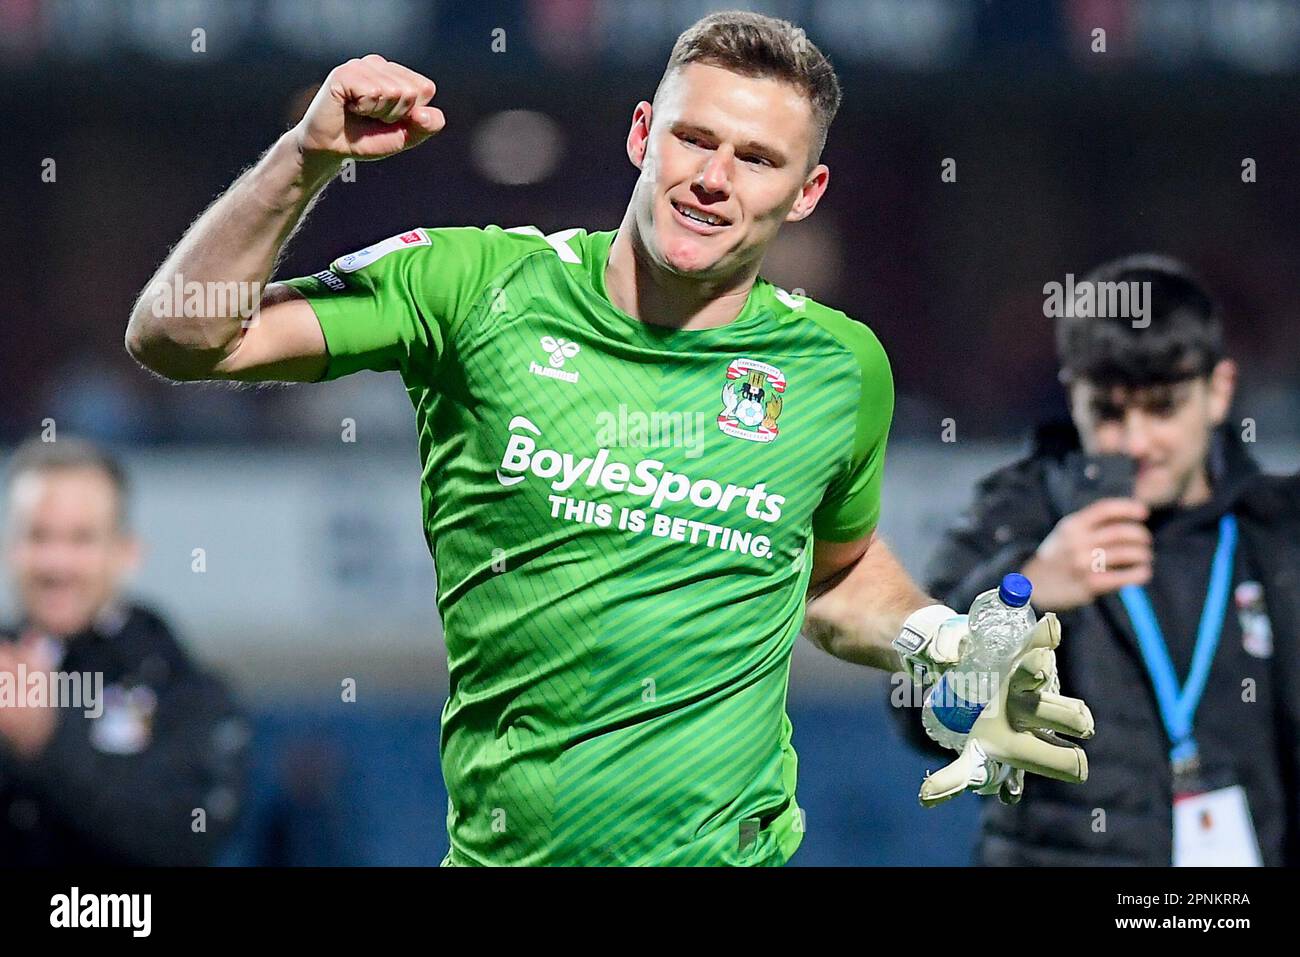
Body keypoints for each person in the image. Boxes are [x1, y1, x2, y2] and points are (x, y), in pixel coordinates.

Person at [124, 10, 1091, 866]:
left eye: (756, 159)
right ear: (643, 134)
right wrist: (304, 159)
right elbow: (180, 335)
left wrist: (944, 642)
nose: (713, 179)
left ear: (806, 191)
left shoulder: (841, 368)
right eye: (693, 139)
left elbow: (831, 575)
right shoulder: (473, 286)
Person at [912, 254, 1300, 865]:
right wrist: (1024, 592)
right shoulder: (1017, 513)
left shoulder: (1273, 529)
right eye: (1111, 413)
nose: (1137, 442)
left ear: (1218, 391)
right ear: (1074, 399)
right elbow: (923, 717)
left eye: (1163, 407)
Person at [0, 437, 249, 865]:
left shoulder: (183, 689)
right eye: (39, 536)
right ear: (11, 549)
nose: (57, 565)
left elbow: (185, 837)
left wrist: (46, 739)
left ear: (125, 553)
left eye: (81, 539)